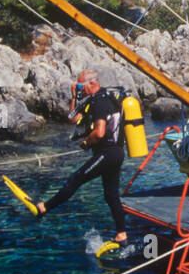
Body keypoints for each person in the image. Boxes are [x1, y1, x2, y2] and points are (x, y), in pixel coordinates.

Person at [32, 70, 128, 244]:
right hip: (115, 154)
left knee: (75, 179)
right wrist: (74, 95)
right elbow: (72, 117)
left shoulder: (100, 102)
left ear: (91, 83)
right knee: (111, 195)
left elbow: (99, 133)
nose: (79, 88)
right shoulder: (96, 99)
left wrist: (86, 142)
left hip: (108, 153)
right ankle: (122, 234)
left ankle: (45, 207)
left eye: (80, 85)